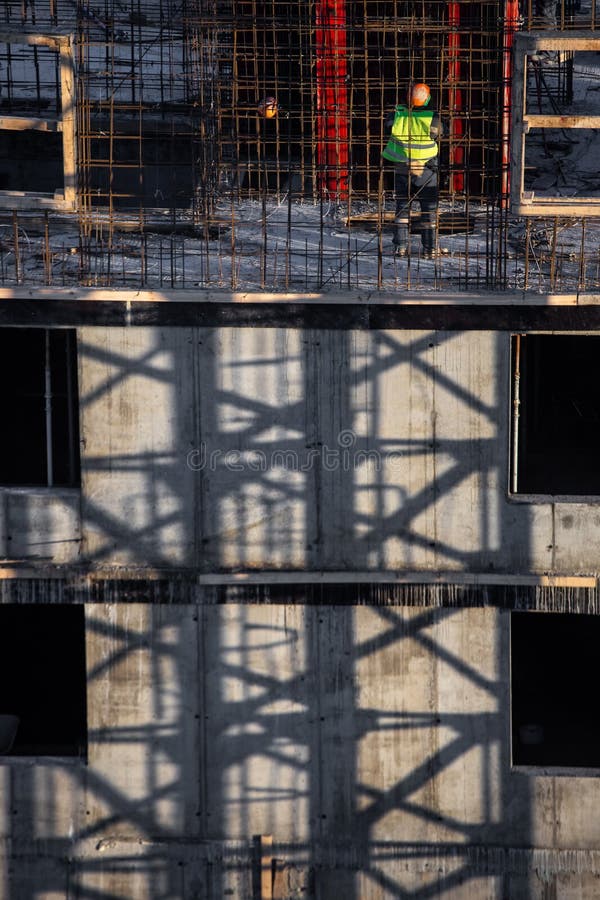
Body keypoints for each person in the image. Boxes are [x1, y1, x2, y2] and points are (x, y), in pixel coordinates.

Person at [382, 83, 443, 259]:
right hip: (426, 168)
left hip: (402, 166)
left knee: (402, 207)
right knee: (428, 209)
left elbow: (388, 129)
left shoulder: (396, 115)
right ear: (427, 98)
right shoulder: (432, 117)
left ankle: (400, 247)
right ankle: (430, 249)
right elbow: (439, 133)